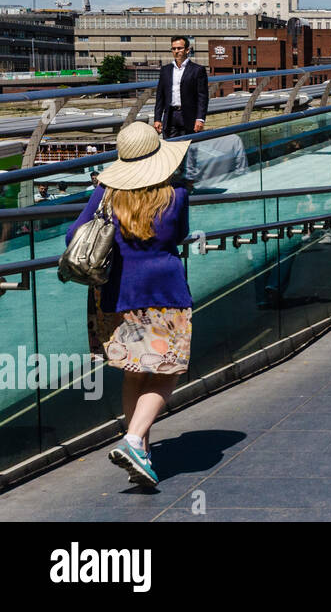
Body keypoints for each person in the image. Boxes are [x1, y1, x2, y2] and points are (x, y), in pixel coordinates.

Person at [68, 121, 193, 486]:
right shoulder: (178, 193)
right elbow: (179, 234)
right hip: (164, 292)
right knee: (168, 370)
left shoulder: (106, 192)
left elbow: (74, 234)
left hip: (116, 294)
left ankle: (143, 455)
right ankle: (135, 440)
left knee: (134, 372)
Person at [153, 35, 208, 138]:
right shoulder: (165, 70)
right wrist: (157, 118)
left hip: (188, 115)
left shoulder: (197, 70)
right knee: (170, 148)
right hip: (170, 116)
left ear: (187, 50)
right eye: (174, 49)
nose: (176, 51)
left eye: (179, 48)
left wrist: (200, 118)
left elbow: (202, 97)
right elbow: (160, 97)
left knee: (188, 147)